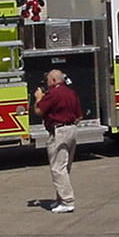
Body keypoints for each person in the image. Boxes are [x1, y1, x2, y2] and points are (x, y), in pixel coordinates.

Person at [33, 69, 82, 213]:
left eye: (48, 80)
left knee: (57, 168)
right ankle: (60, 199)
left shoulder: (53, 94)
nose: (46, 83)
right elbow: (79, 116)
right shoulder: (71, 93)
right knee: (64, 167)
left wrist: (38, 98)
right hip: (71, 129)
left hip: (59, 131)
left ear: (54, 80)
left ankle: (67, 201)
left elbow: (39, 111)